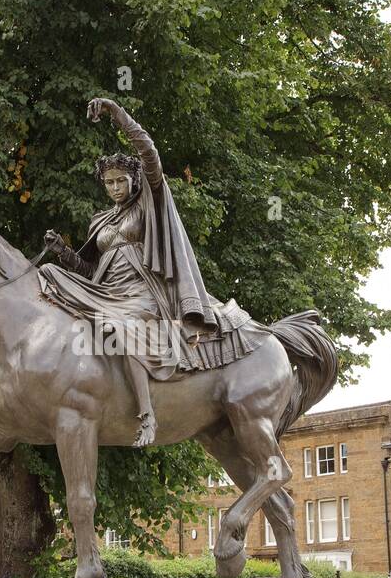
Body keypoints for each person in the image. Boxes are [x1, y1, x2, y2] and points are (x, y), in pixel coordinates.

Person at [41, 98, 253, 445]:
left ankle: (146, 415)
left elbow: (149, 152)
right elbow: (91, 268)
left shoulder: (148, 201)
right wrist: (64, 252)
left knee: (124, 330)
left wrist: (115, 113)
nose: (113, 188)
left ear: (133, 180)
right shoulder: (101, 220)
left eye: (119, 181)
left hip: (142, 294)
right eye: (108, 183)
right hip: (106, 291)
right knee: (49, 272)